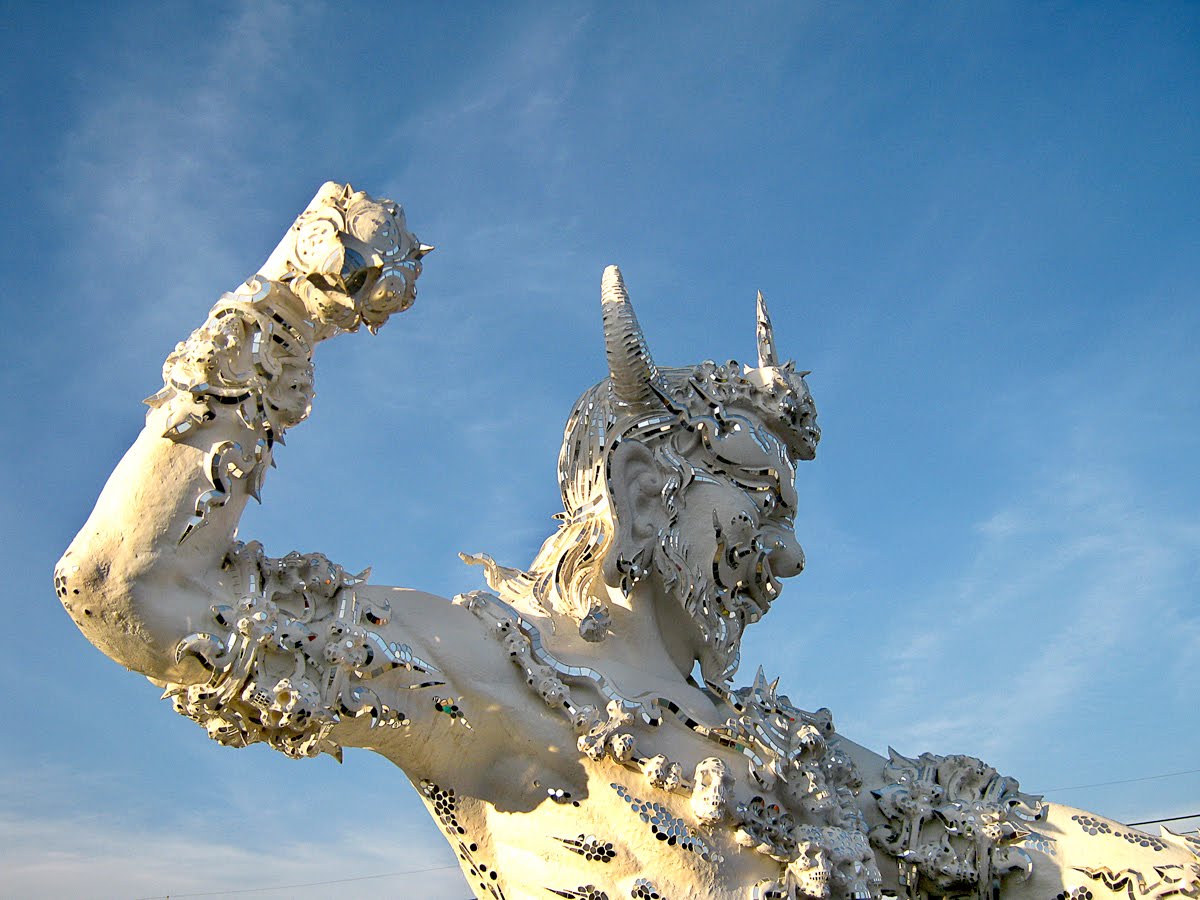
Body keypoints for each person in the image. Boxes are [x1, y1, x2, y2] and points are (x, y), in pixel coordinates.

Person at [56, 184, 1199, 900]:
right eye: (762, 501)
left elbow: (1032, 844)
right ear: (651, 479)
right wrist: (286, 304)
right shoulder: (499, 675)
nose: (789, 558)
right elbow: (135, 586)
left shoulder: (788, 751)